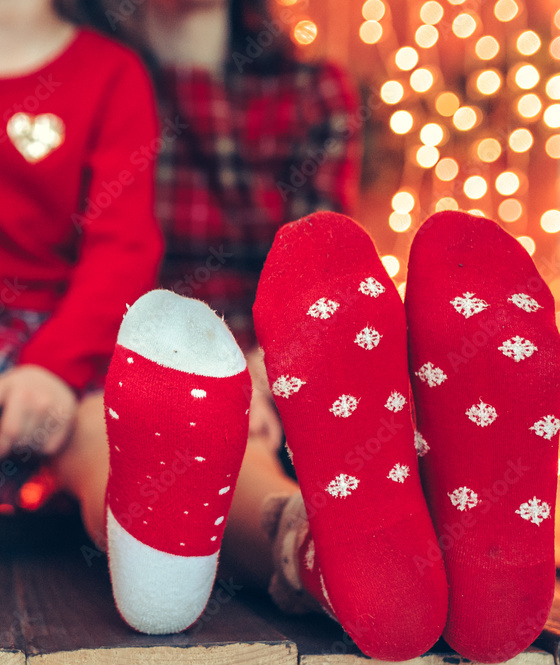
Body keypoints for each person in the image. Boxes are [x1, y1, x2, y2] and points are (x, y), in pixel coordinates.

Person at [98, 0, 362, 587]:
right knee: (203, 426)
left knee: (357, 396)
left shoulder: (309, 91)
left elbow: (318, 272)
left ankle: (424, 536)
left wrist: (271, 366)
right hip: (140, 353)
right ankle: (316, 553)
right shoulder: (94, 77)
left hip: (277, 354)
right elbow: (94, 265)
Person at [0, 0, 165, 539]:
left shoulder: (111, 73)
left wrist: (53, 368)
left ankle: (148, 546)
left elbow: (124, 246)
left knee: (115, 446)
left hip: (67, 330)